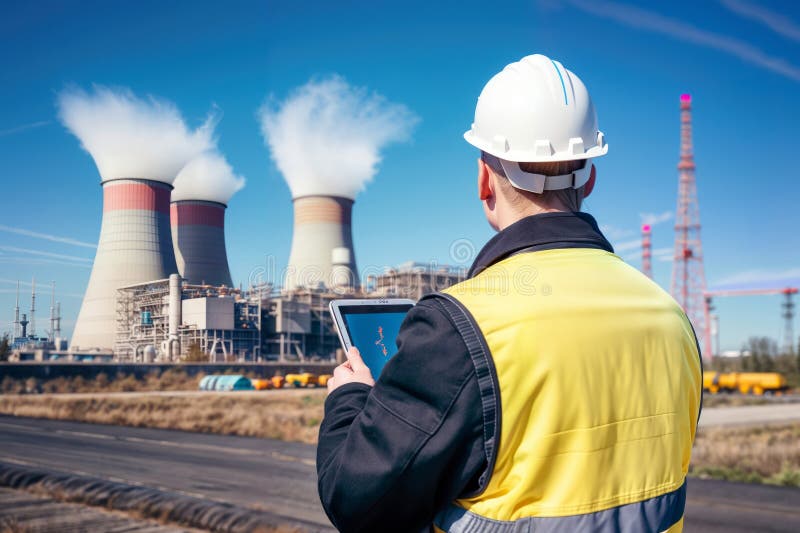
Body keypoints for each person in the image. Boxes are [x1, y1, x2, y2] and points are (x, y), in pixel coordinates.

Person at [317, 54, 702, 533]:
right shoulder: (672, 319)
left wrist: (350, 399)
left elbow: (354, 499)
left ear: (484, 181)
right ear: (591, 177)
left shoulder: (461, 327)